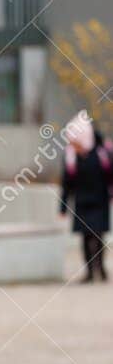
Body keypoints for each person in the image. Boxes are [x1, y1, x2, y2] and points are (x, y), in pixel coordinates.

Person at [58, 110, 111, 282]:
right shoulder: (71, 158)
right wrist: (62, 207)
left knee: (98, 235)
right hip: (81, 203)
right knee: (85, 237)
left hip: (100, 201)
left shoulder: (102, 155)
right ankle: (89, 272)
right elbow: (67, 184)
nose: (73, 144)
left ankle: (101, 269)